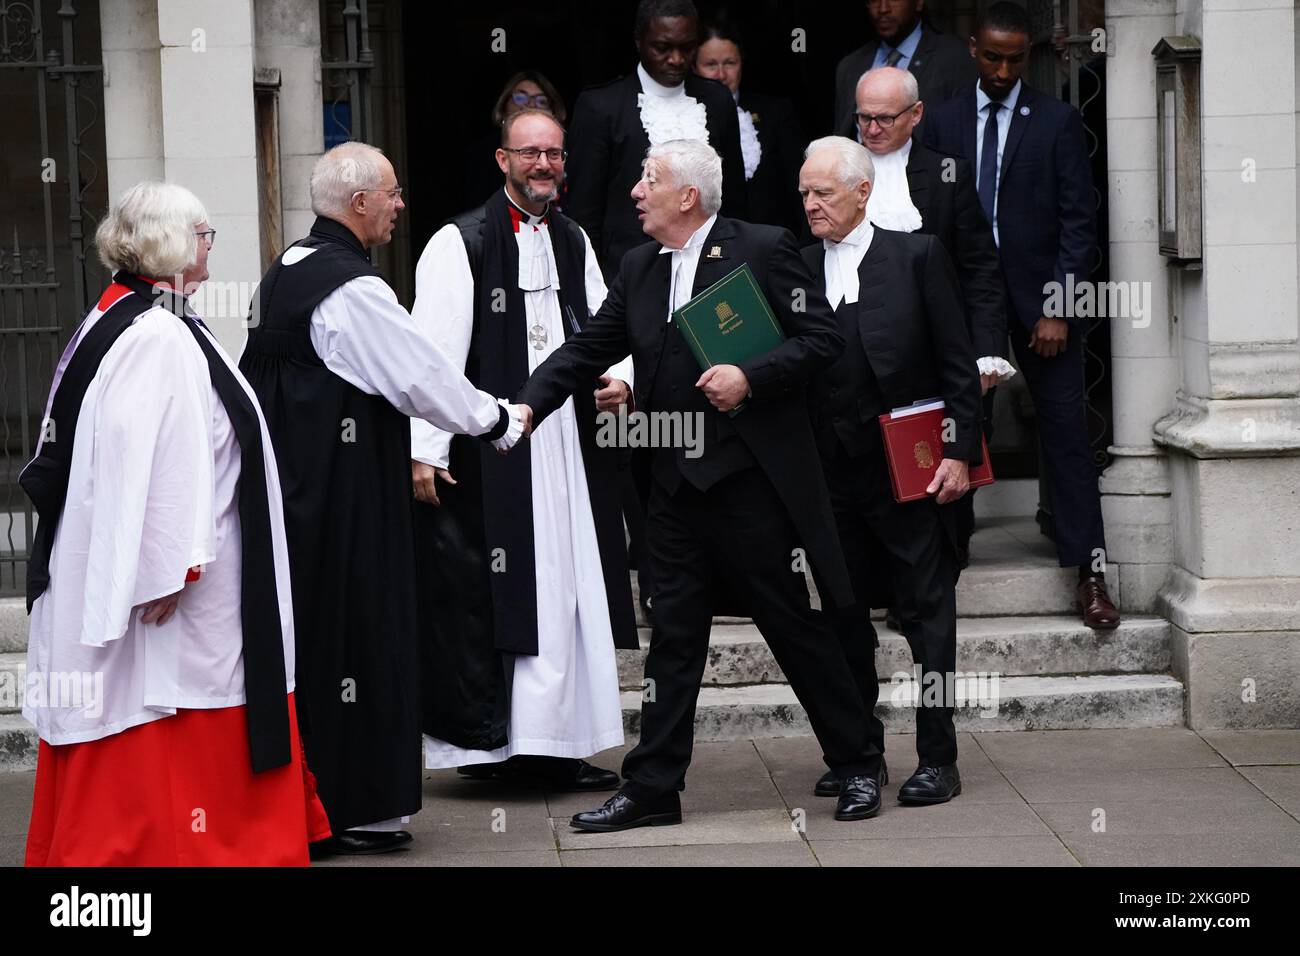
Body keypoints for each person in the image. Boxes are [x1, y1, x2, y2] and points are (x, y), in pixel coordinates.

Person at [516, 139, 881, 830]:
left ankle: (859, 762)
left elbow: (822, 339)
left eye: (648, 179)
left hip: (751, 486)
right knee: (675, 638)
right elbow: (588, 348)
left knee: (792, 629)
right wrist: (528, 405)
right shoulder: (638, 266)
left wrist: (752, 376)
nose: (634, 191)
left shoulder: (764, 247)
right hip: (673, 489)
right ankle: (654, 787)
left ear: (687, 196)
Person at [22, 181, 330, 865]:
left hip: (196, 569)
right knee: (170, 700)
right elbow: (146, 456)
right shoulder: (157, 332)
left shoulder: (136, 315)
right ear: (170, 244)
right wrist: (167, 565)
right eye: (203, 234)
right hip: (187, 588)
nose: (210, 248)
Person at [239, 142, 527, 856]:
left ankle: (315, 805)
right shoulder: (352, 289)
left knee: (314, 642)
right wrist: (494, 419)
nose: (401, 206)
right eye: (392, 194)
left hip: (296, 495)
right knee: (361, 636)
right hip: (346, 501)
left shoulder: (284, 272)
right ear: (359, 201)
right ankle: (352, 805)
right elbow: (421, 375)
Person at [412, 109, 637, 789]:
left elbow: (608, 323)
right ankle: (498, 749)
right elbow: (433, 356)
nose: (544, 165)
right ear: (502, 160)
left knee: (569, 589)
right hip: (496, 449)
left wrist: (622, 377)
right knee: (504, 590)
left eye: (554, 154)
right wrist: (427, 450)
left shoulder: (573, 238)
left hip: (567, 444)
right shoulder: (461, 242)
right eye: (530, 154)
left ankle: (559, 742)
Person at [799, 136, 982, 806]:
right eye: (805, 193)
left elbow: (959, 364)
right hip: (830, 478)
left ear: (863, 191)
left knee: (929, 619)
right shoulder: (795, 268)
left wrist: (960, 452)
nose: (811, 204)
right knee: (843, 616)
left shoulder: (916, 257)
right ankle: (859, 754)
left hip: (912, 474)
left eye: (823, 192)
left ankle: (939, 757)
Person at [925, 1, 1119, 629]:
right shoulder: (943, 121)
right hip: (966, 303)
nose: (1005, 69)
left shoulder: (1058, 121)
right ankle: (942, 569)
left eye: (1016, 58)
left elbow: (1078, 222)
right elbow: (930, 219)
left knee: (1065, 436)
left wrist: (1058, 306)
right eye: (994, 56)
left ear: (1026, 54)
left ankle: (1090, 575)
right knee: (959, 429)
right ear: (975, 49)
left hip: (1046, 309)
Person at [855, 65, 1012, 571]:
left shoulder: (948, 174)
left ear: (916, 114)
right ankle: (884, 580)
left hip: (935, 353)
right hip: (860, 351)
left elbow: (980, 272)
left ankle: (934, 581)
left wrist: (987, 351)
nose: (872, 129)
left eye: (883, 118)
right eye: (863, 119)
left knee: (943, 468)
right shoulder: (835, 170)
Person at [566, 0, 749, 281]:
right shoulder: (601, 107)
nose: (676, 59)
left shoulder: (717, 100)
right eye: (662, 48)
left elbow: (735, 197)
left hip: (712, 271)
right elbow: (584, 212)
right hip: (628, 275)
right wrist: (595, 284)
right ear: (639, 42)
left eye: (687, 48)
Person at [694, 19, 805, 235]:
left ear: (742, 64)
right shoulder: (684, 118)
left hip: (771, 241)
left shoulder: (776, 113)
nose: (721, 75)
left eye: (729, 63)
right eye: (710, 65)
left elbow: (797, 186)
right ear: (693, 67)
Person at [833, 0, 975, 138]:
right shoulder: (851, 66)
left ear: (919, 2)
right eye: (874, 0)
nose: (883, 8)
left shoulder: (955, 58)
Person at [463, 71, 567, 204]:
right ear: (504, 105)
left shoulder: (567, 147)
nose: (530, 105)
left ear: (552, 110)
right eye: (520, 98)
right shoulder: (481, 153)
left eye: (541, 101)